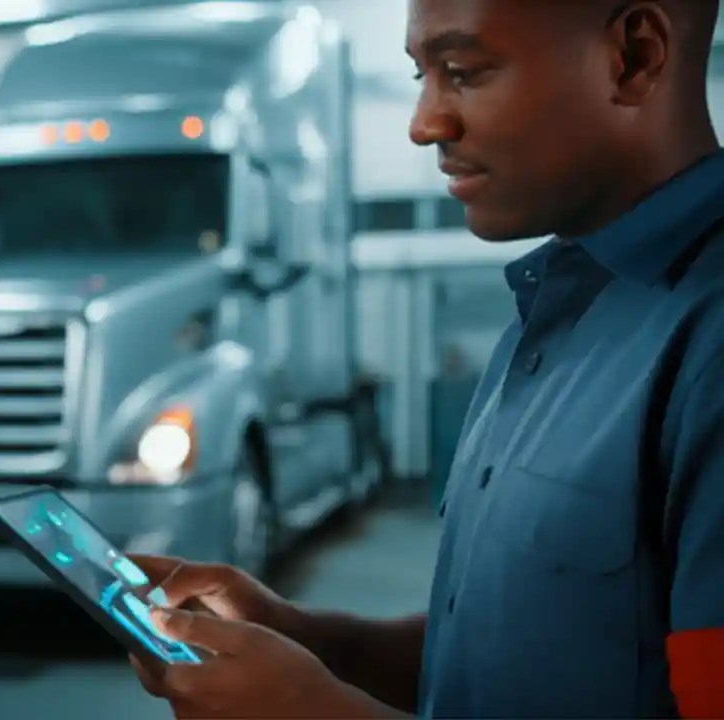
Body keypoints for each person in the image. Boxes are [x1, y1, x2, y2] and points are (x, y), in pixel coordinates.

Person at [127, 0, 724, 717]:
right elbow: (527, 656)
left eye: (463, 72)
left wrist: (312, 711)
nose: (423, 123)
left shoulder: (705, 343)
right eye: (421, 76)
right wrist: (316, 643)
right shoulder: (562, 302)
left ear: (635, 55)